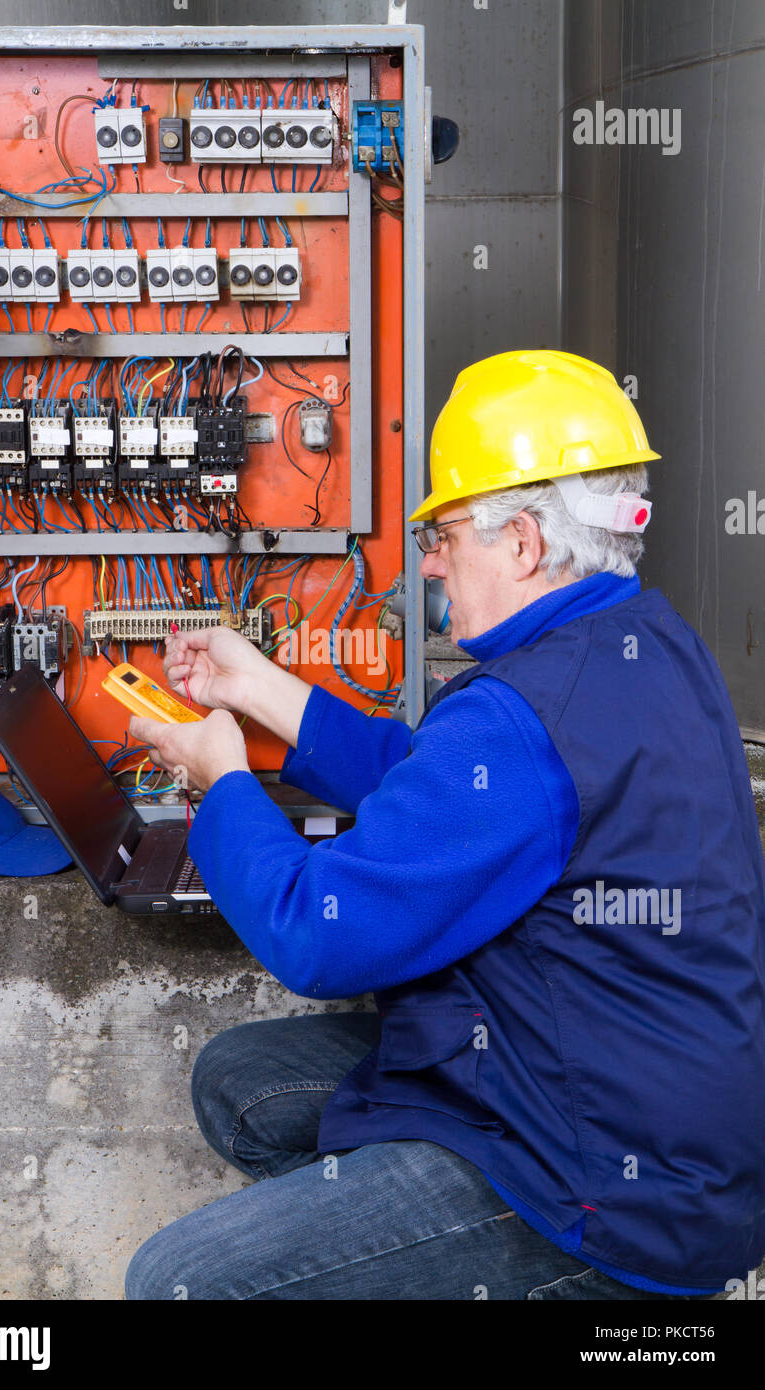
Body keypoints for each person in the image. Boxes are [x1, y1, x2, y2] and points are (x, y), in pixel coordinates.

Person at [124, 350, 765, 1300]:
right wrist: (257, 688)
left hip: (598, 1186)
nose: (425, 559)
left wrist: (223, 785)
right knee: (242, 1084)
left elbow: (317, 932)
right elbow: (446, 792)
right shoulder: (642, 644)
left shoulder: (524, 713)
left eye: (447, 529)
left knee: (178, 1280)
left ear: (523, 546)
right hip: (628, 1105)